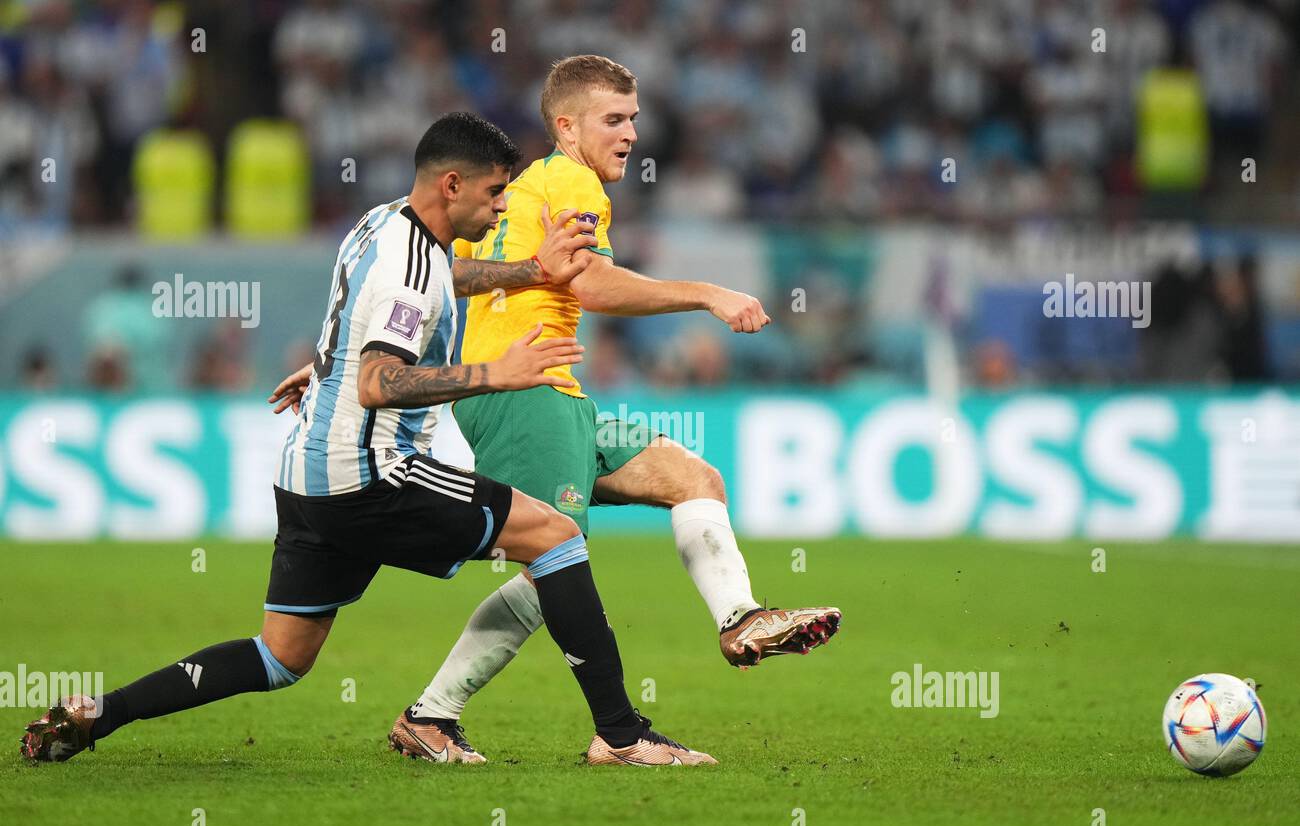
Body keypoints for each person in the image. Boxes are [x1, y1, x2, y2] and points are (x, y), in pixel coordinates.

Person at [21, 112, 715, 769]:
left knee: (281, 656)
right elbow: (379, 383)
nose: (503, 208)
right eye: (495, 193)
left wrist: (532, 272)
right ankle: (621, 736)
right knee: (557, 535)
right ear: (452, 185)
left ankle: (99, 712)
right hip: (372, 475)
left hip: (306, 479)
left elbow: (436, 285)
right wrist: (493, 374)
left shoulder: (382, 223)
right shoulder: (408, 270)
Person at [278, 56, 840, 764]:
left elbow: (447, 279)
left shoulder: (518, 191)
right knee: (554, 561)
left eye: (634, 117)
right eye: (615, 119)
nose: (632, 132)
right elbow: (594, 285)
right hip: (523, 394)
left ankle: (741, 619)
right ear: (566, 125)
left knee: (691, 480)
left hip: (559, 393)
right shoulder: (567, 180)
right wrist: (708, 293)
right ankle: (447, 717)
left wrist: (334, 357)